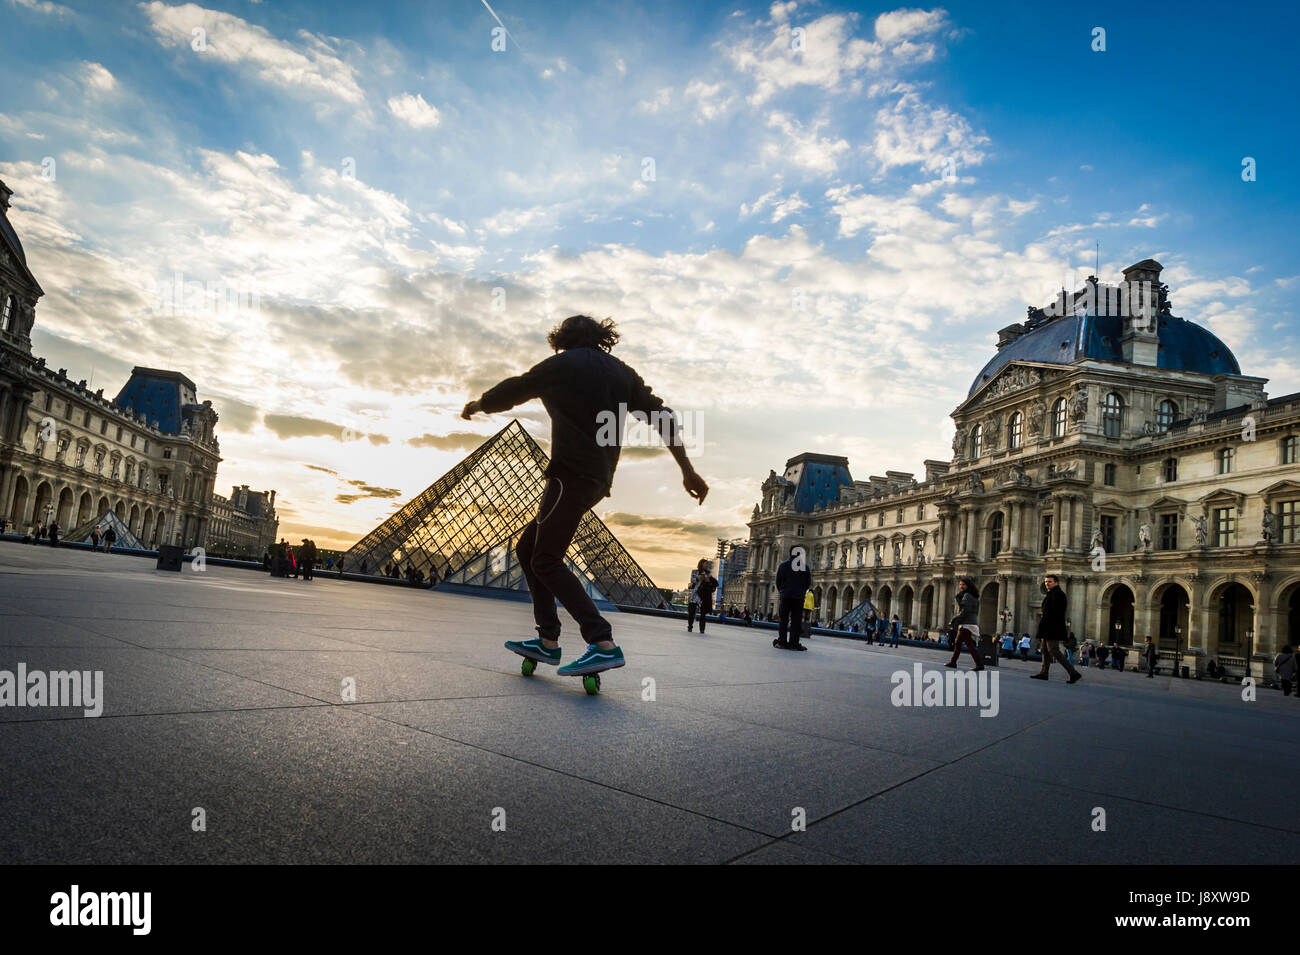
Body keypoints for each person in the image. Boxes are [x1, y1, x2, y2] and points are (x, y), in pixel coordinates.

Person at [467, 314, 708, 677]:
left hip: (569, 475)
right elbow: (664, 418)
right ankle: (547, 640)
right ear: (600, 338)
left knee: (545, 558)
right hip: (598, 479)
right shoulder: (623, 373)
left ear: (561, 339)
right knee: (528, 548)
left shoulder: (561, 364)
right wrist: (686, 469)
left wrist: (479, 404)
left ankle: (601, 642)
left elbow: (515, 389)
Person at [1029, 574, 1081, 683]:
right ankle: (1044, 672)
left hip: (1052, 627)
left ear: (1056, 582)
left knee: (1053, 650)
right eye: (1046, 581)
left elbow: (1057, 612)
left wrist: (1048, 623)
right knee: (1044, 650)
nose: (1047, 583)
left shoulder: (1058, 594)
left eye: (1050, 581)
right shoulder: (1052, 593)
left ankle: (1073, 673)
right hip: (1047, 626)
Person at [774, 545, 811, 651]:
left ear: (790, 553)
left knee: (783, 620)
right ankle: (794, 644)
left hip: (786, 596)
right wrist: (801, 592)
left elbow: (778, 581)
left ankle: (782, 642)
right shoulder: (805, 567)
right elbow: (807, 583)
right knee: (796, 621)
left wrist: (782, 591)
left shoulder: (783, 566)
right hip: (798, 598)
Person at [944, 578, 983, 671]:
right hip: (968, 622)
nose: (961, 586)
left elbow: (965, 611)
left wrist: (955, 619)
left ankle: (979, 664)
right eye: (960, 584)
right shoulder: (972, 596)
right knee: (958, 643)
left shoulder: (967, 596)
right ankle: (953, 662)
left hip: (966, 622)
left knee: (969, 644)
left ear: (968, 586)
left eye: (963, 585)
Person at [689, 560, 718, 634]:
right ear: (701, 564)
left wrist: (708, 581)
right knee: (692, 611)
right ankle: (690, 626)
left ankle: (702, 629)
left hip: (704, 595)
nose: (706, 566)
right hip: (695, 594)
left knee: (703, 613)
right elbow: (691, 582)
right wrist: (699, 578)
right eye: (705, 564)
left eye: (707, 564)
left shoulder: (708, 574)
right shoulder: (694, 572)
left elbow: (713, 583)